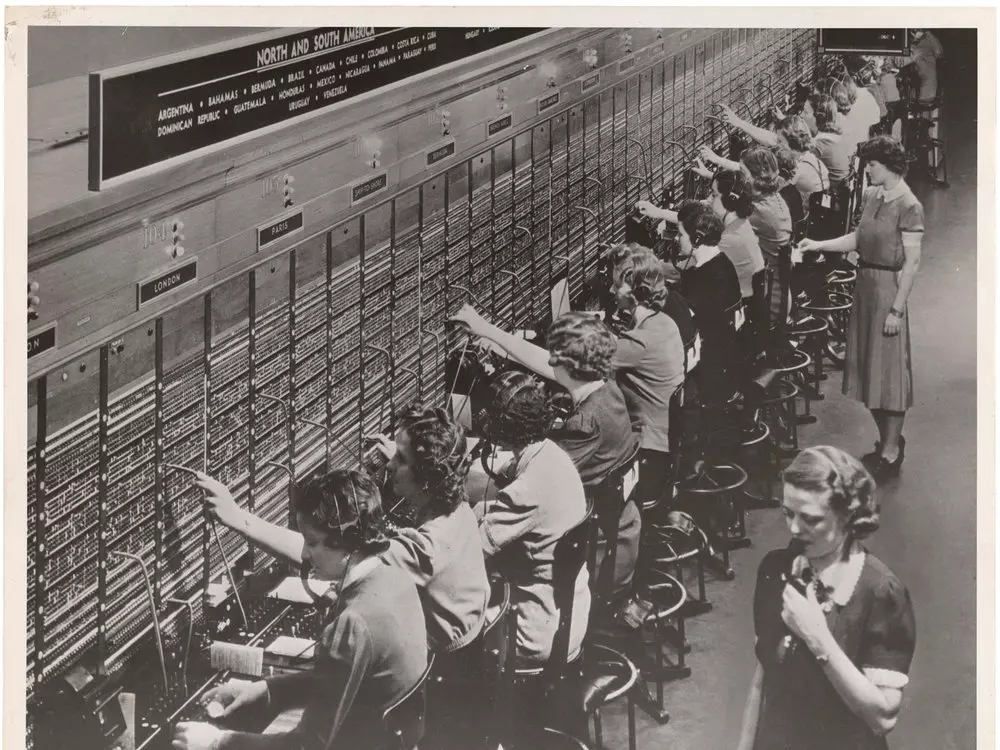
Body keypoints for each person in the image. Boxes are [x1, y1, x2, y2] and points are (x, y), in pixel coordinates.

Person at [193, 407, 490, 656]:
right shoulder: (454, 502)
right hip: (469, 627)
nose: (389, 464)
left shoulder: (425, 548)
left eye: (400, 459)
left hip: (447, 658)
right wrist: (405, 461)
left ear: (425, 476)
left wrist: (237, 518)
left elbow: (324, 552)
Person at [173, 470, 428, 750]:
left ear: (351, 539)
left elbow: (307, 746)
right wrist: (267, 689)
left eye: (312, 542)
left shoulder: (353, 624)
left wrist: (216, 743)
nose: (305, 554)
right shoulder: (397, 578)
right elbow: (340, 682)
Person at [449, 308, 642, 600]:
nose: (549, 358)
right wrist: (486, 328)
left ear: (565, 364)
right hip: (622, 535)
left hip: (600, 558)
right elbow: (546, 364)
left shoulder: (584, 425)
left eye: (554, 354)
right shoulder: (608, 389)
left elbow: (523, 482)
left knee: (481, 513)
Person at [736, 446, 916, 750]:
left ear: (846, 516)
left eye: (811, 519)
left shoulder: (880, 592)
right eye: (787, 514)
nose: (794, 529)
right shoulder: (775, 569)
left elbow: (883, 717)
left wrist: (817, 636)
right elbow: (762, 678)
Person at [795, 136, 923, 477]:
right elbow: (858, 239)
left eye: (872, 165)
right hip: (865, 288)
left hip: (886, 293)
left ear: (890, 166)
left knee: (889, 375)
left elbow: (911, 265)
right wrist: (818, 244)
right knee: (870, 371)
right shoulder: (872, 196)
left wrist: (896, 310)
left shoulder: (909, 205)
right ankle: (889, 441)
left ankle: (892, 451)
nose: (866, 170)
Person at [474, 370, 591, 666]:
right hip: (571, 616)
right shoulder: (554, 455)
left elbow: (470, 554)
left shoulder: (524, 492)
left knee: (450, 631)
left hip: (536, 633)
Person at [673, 201, 743, 400]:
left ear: (696, 239)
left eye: (680, 235)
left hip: (711, 374)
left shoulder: (702, 279)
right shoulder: (722, 264)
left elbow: (683, 320)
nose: (677, 240)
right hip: (729, 362)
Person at [714, 107, 830, 210]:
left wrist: (717, 160)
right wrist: (739, 123)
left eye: (780, 141)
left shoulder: (794, 168)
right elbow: (770, 138)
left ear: (790, 142)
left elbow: (753, 173)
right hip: (820, 198)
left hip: (811, 210)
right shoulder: (802, 151)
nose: (777, 143)